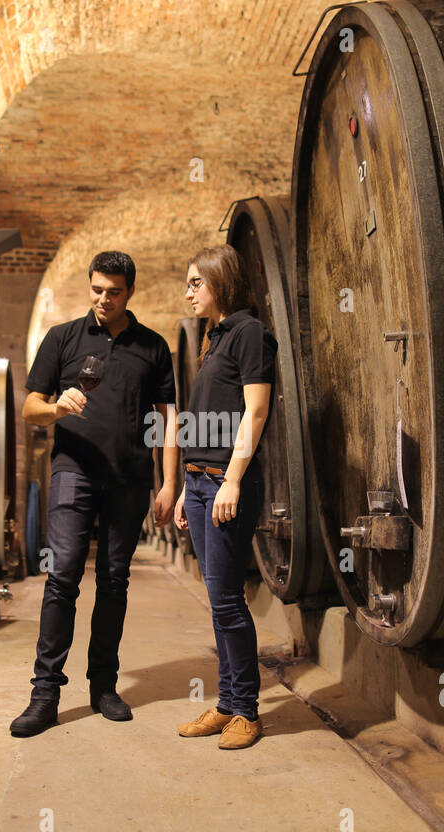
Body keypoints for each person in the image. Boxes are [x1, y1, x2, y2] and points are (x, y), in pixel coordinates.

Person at [9, 251, 179, 737]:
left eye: (114, 291)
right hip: (73, 471)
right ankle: (44, 694)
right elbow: (29, 409)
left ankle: (103, 685)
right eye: (97, 289)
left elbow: (168, 421)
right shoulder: (62, 337)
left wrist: (169, 482)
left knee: (114, 580)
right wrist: (58, 408)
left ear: (130, 291)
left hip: (128, 478)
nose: (104, 299)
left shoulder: (153, 347)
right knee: (62, 575)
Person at [174, 245, 276, 749]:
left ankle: (248, 712)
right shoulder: (214, 339)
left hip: (224, 481)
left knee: (228, 602)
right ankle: (227, 703)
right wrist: (184, 483)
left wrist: (232, 479)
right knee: (217, 603)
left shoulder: (250, 333)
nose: (189, 291)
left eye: (196, 281)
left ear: (220, 281)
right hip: (200, 482)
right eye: (188, 282)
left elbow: (254, 413)